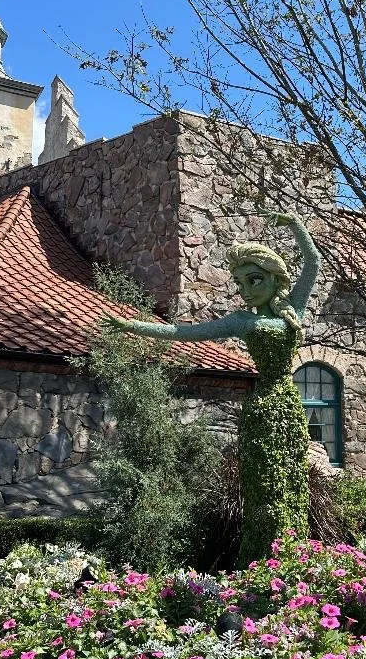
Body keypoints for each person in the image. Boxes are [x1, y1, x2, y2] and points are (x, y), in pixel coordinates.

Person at [105, 211, 320, 566]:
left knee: (292, 481)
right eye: (241, 284)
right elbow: (182, 333)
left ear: (273, 277)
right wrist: (131, 325)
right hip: (262, 408)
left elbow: (312, 261)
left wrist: (296, 225)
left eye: (254, 280)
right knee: (264, 489)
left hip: (289, 409)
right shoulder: (241, 320)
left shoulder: (290, 312)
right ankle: (263, 562)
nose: (248, 290)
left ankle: (294, 559)